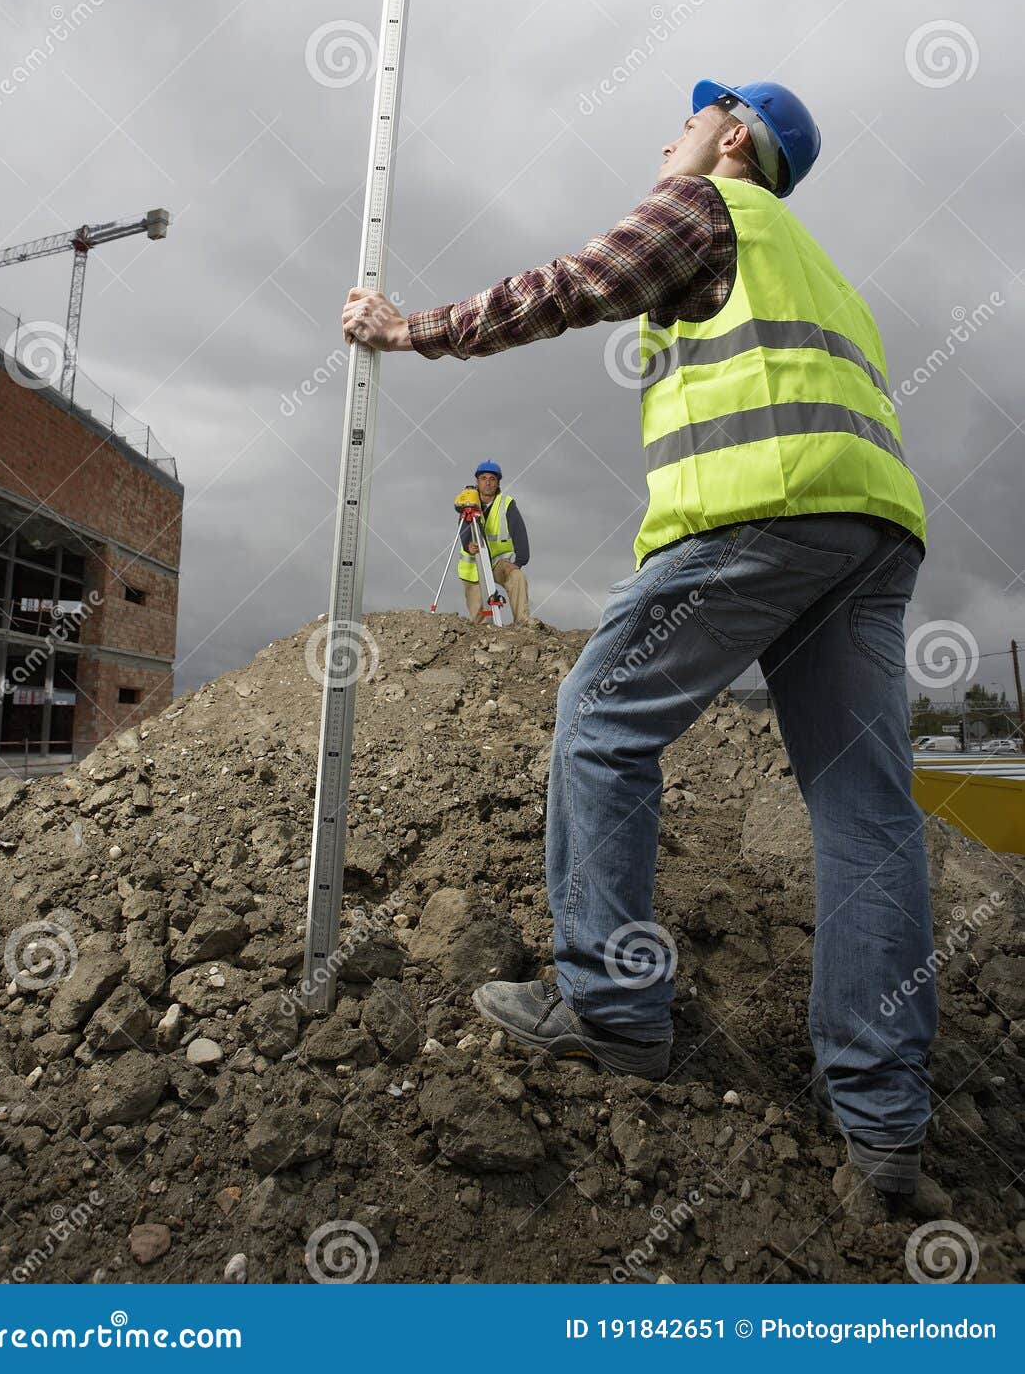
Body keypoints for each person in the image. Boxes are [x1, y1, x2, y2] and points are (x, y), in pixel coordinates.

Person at [341, 78, 934, 1197]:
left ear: (729, 137)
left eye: (691, 118)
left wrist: (405, 329)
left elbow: (565, 287)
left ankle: (610, 1008)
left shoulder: (707, 207)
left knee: (600, 720)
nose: (670, 133)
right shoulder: (816, 268)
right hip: (871, 533)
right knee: (866, 815)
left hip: (758, 514)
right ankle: (885, 1124)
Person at [458, 461, 531, 624]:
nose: (488, 482)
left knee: (517, 577)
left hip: (498, 563)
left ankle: (523, 622)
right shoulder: (468, 502)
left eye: (492, 478)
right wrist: (468, 544)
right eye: (483, 478)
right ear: (477, 481)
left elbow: (520, 532)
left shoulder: (506, 504)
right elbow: (463, 527)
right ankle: (487, 635)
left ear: (497, 482)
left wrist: (519, 561)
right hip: (473, 566)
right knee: (481, 621)